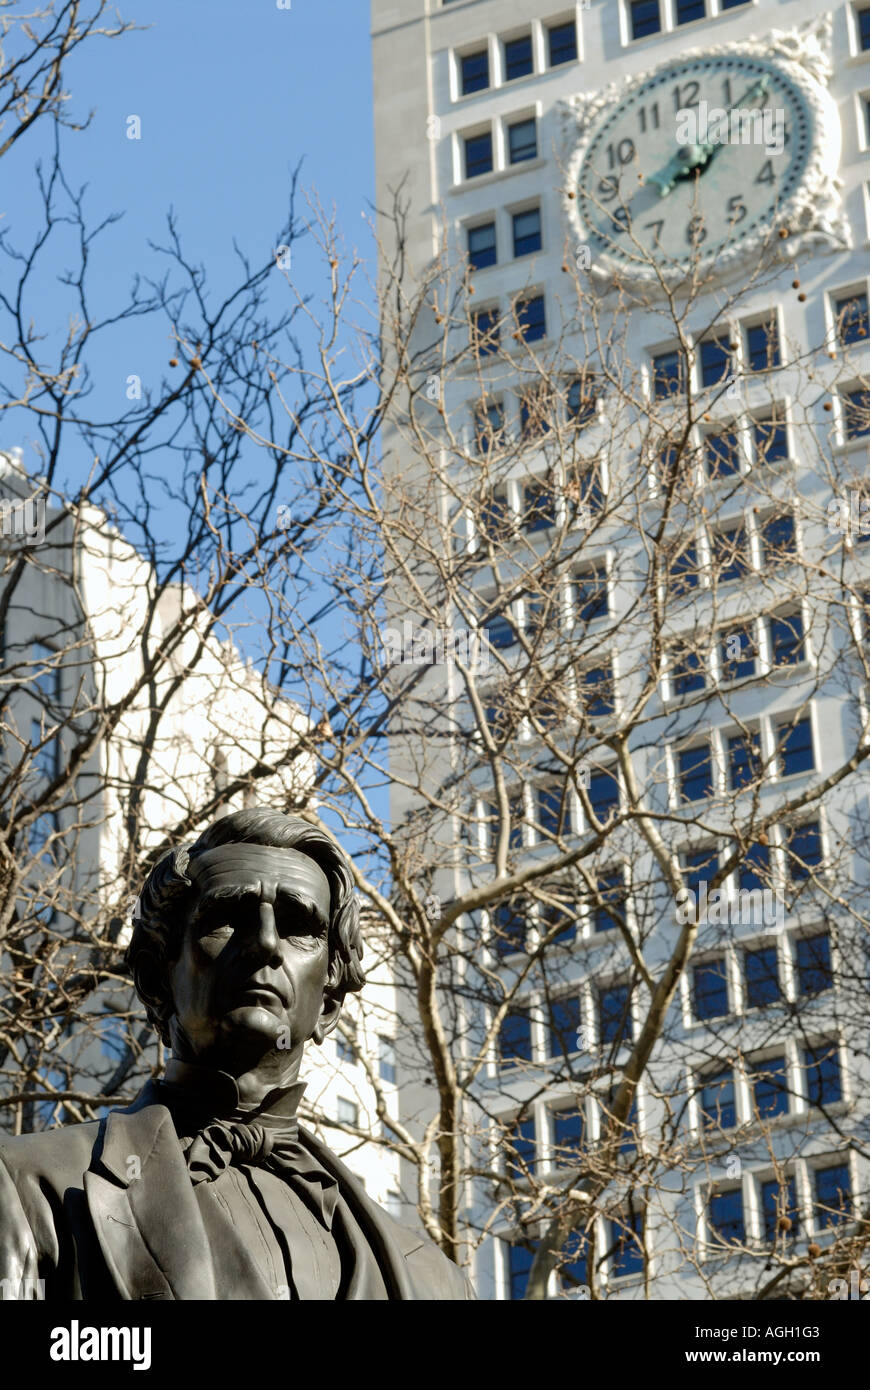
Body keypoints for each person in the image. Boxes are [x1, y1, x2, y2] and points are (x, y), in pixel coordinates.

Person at [0, 809, 470, 1300]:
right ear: (156, 978)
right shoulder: (30, 1185)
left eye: (297, 925)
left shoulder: (435, 1282)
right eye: (225, 919)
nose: (265, 943)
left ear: (329, 1000)